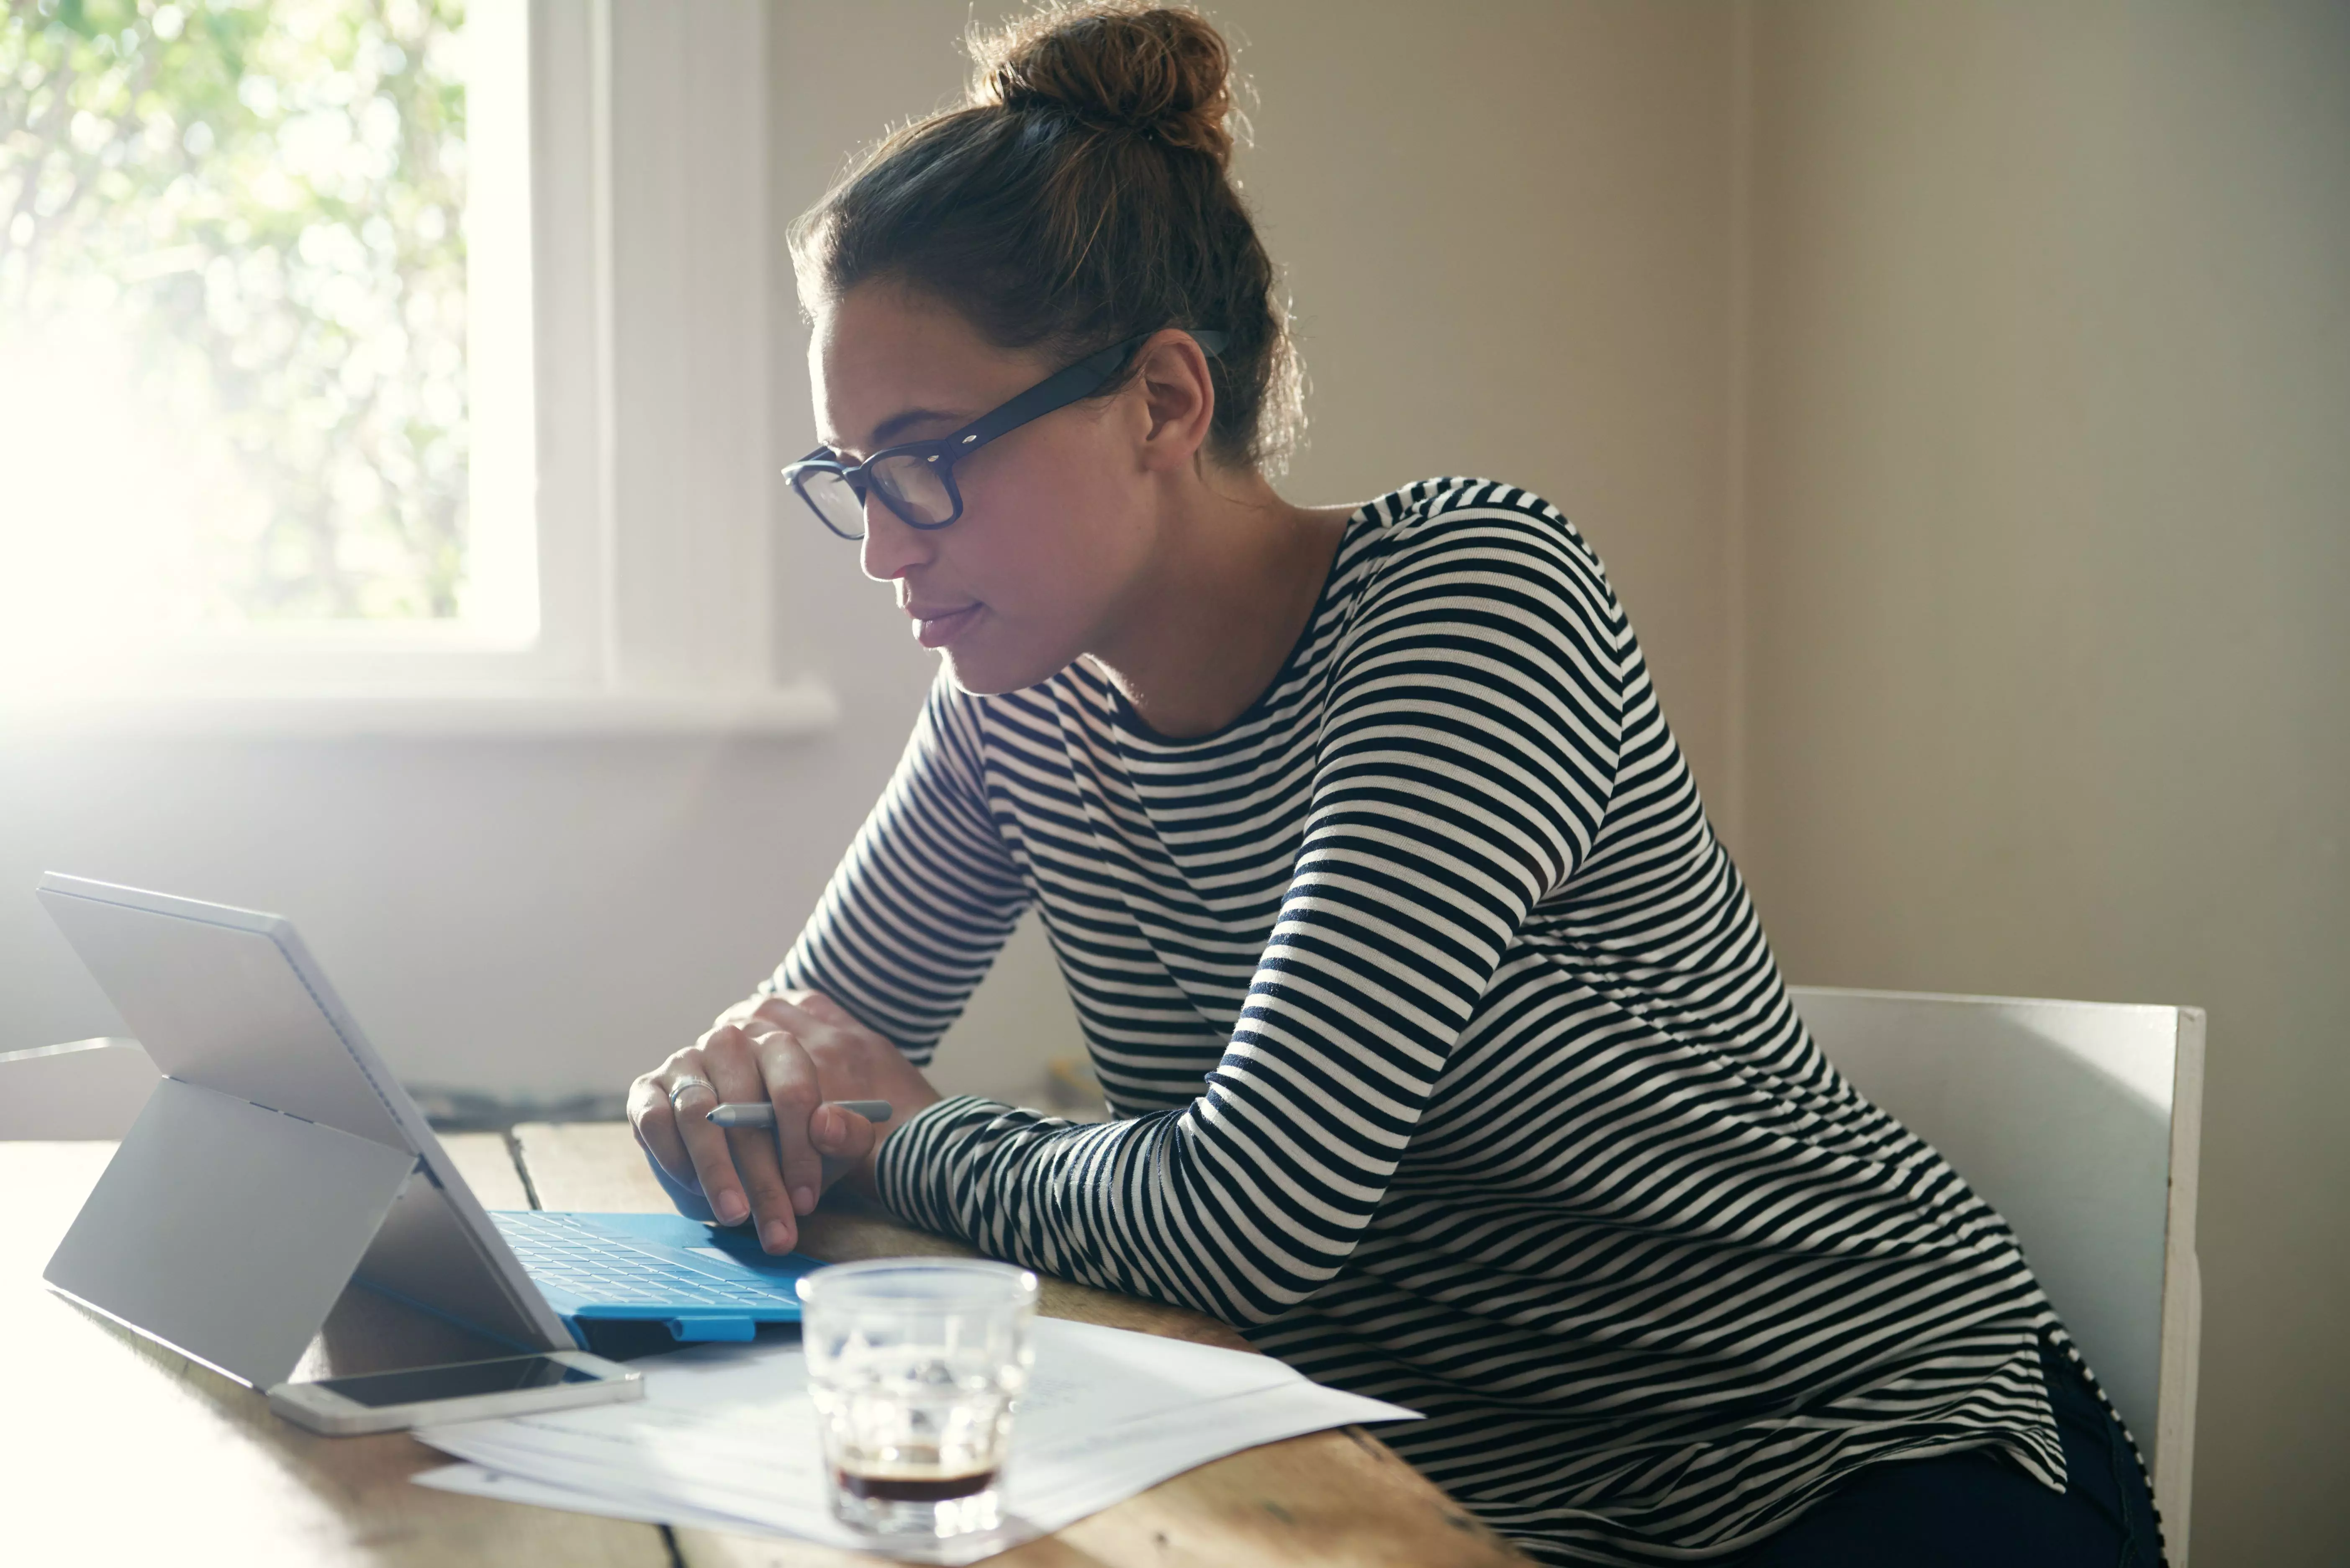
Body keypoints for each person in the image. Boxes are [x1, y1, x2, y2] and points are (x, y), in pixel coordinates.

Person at [627, 5, 2161, 1563]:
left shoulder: (1469, 601)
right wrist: (708, 1101)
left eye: (925, 457)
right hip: (1462, 1494)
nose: (885, 545)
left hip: (1838, 1442)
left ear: (1164, 399)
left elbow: (1246, 1218)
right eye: (850, 479)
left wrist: (897, 1136)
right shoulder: (1010, 707)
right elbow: (806, 1067)